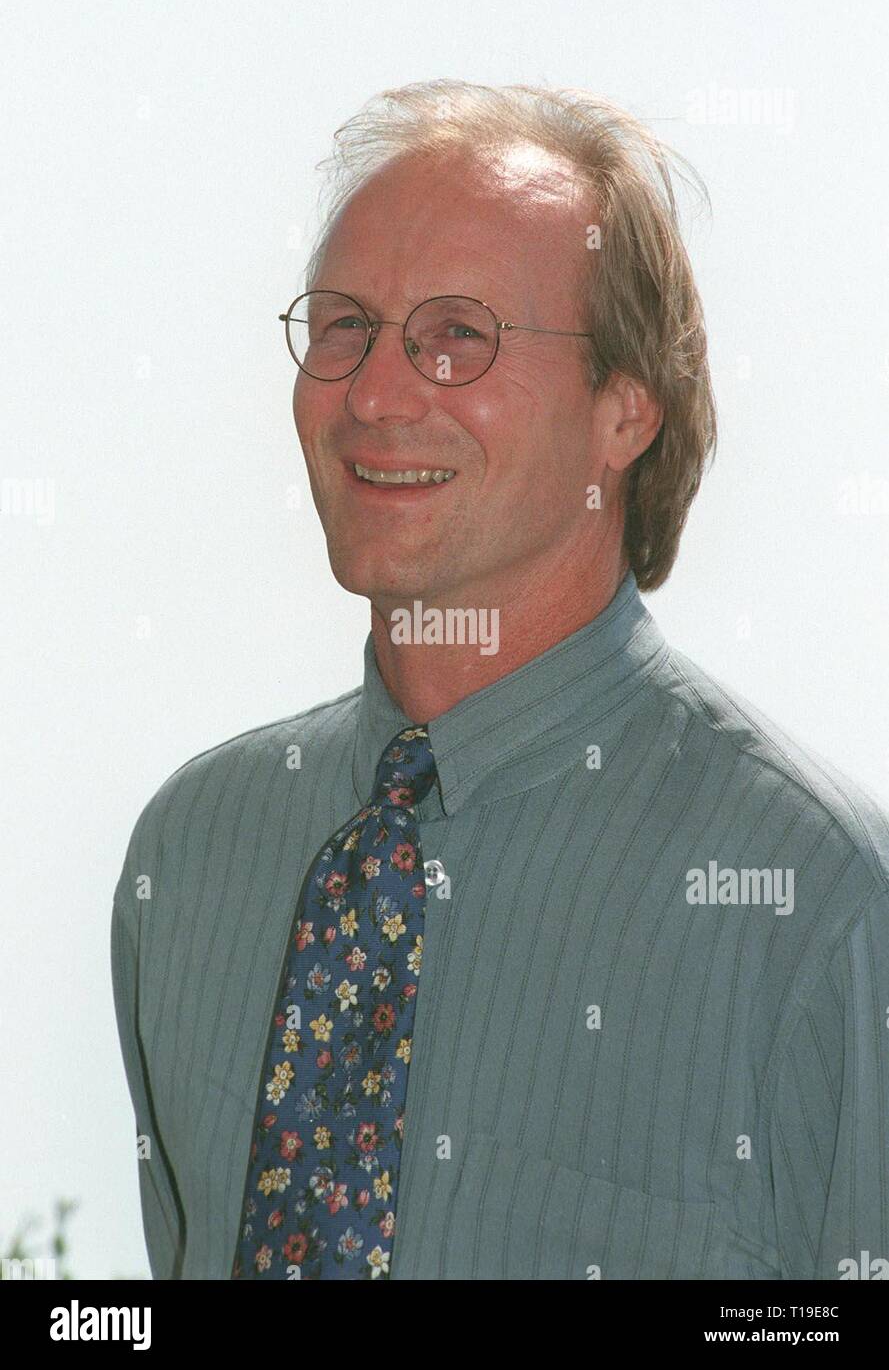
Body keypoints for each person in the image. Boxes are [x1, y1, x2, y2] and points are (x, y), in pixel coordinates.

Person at [111, 79, 889, 1281]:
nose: (373, 393)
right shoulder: (194, 854)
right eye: (342, 325)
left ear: (627, 406)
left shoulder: (817, 899)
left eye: (456, 336)